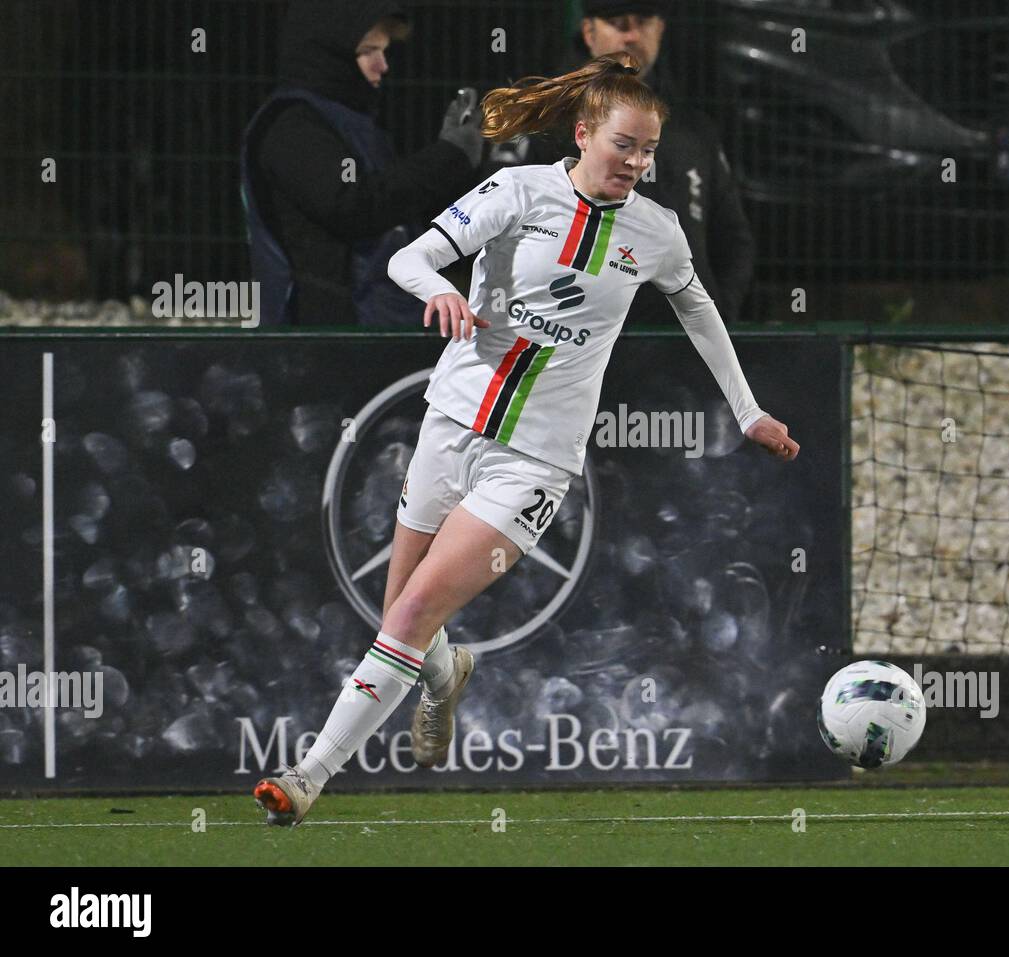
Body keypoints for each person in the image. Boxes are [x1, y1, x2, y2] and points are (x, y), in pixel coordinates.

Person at [253, 52, 798, 826]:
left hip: (535, 461)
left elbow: (700, 311)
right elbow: (412, 257)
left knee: (408, 620)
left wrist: (747, 411)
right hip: (450, 421)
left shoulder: (659, 232)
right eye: (624, 146)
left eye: (649, 151)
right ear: (582, 134)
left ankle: (306, 777)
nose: (638, 164)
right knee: (400, 618)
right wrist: (440, 288)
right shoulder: (517, 191)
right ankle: (446, 676)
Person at [491, 0, 755, 326]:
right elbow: (499, 226)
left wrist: (717, 314)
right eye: (619, 23)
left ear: (660, 28)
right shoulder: (549, 121)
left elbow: (733, 239)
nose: (631, 37)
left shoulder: (694, 128)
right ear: (589, 31)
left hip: (681, 345)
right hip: (574, 338)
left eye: (644, 22)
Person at [241, 1, 484, 327]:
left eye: (383, 51)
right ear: (329, 53)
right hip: (320, 337)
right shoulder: (292, 125)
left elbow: (397, 208)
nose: (382, 65)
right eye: (369, 51)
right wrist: (448, 157)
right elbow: (355, 207)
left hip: (369, 322)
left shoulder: (350, 121)